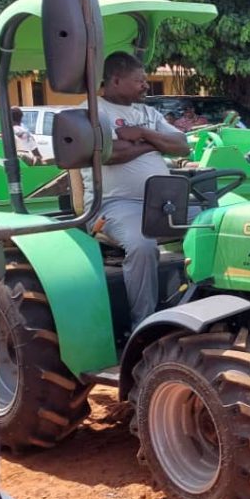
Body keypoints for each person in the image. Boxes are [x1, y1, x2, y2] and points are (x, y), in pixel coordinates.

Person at [82, 52, 190, 328]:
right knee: (142, 246)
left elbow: (182, 144)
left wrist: (143, 133)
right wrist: (157, 142)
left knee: (215, 223)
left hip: (163, 200)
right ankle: (144, 325)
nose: (145, 85)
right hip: (112, 204)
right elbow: (109, 153)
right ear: (116, 80)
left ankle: (199, 304)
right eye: (139, 80)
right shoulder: (92, 111)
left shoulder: (147, 113)